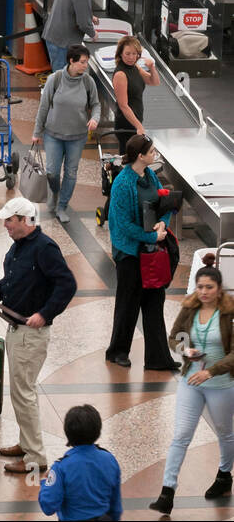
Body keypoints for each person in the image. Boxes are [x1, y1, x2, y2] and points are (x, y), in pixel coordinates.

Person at [0, 196, 77, 474]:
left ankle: (35, 456)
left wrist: (45, 313)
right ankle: (26, 443)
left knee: (24, 393)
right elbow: (12, 281)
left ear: (24, 220)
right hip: (16, 328)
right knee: (21, 392)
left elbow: (67, 284)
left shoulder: (45, 248)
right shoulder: (20, 247)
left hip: (29, 334)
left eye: (9, 220)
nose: (5, 225)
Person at [148, 252, 234, 514]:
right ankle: (167, 491)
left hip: (220, 385)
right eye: (200, 287)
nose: (204, 292)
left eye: (209, 287)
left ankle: (224, 474)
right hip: (190, 382)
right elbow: (174, 337)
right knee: (181, 436)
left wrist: (211, 372)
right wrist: (185, 350)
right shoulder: (190, 308)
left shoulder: (229, 315)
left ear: (219, 289)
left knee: (224, 432)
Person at [105, 134, 179, 371]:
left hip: (151, 252)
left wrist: (162, 224)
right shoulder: (122, 183)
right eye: (152, 151)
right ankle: (118, 351)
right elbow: (123, 223)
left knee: (155, 303)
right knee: (128, 303)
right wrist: (150, 236)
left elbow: (163, 205)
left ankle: (158, 358)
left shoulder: (150, 177)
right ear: (141, 155)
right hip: (129, 253)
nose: (155, 154)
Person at [32, 44, 98, 223]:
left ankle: (62, 205)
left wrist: (95, 119)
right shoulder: (56, 79)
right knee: (52, 172)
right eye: (82, 62)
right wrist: (37, 132)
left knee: (70, 173)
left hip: (77, 136)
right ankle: (55, 191)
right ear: (71, 61)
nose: (85, 66)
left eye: (86, 62)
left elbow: (96, 104)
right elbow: (44, 106)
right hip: (53, 134)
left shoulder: (87, 82)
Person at [38, 405, 123, 520]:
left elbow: (48, 506)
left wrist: (45, 482)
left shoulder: (60, 467)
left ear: (67, 432)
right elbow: (116, 508)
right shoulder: (110, 460)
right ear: (98, 430)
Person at [43, 0, 102, 71]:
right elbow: (83, 23)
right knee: (62, 78)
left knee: (60, 75)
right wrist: (93, 34)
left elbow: (72, 8)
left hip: (53, 36)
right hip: (62, 42)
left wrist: (90, 16)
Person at [112, 35, 159, 151]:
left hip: (136, 120)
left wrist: (152, 67)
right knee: (129, 160)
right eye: (127, 53)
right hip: (126, 124)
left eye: (134, 53)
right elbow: (123, 105)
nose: (131, 57)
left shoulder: (135, 68)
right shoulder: (120, 74)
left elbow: (154, 82)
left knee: (136, 161)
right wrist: (139, 126)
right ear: (120, 54)